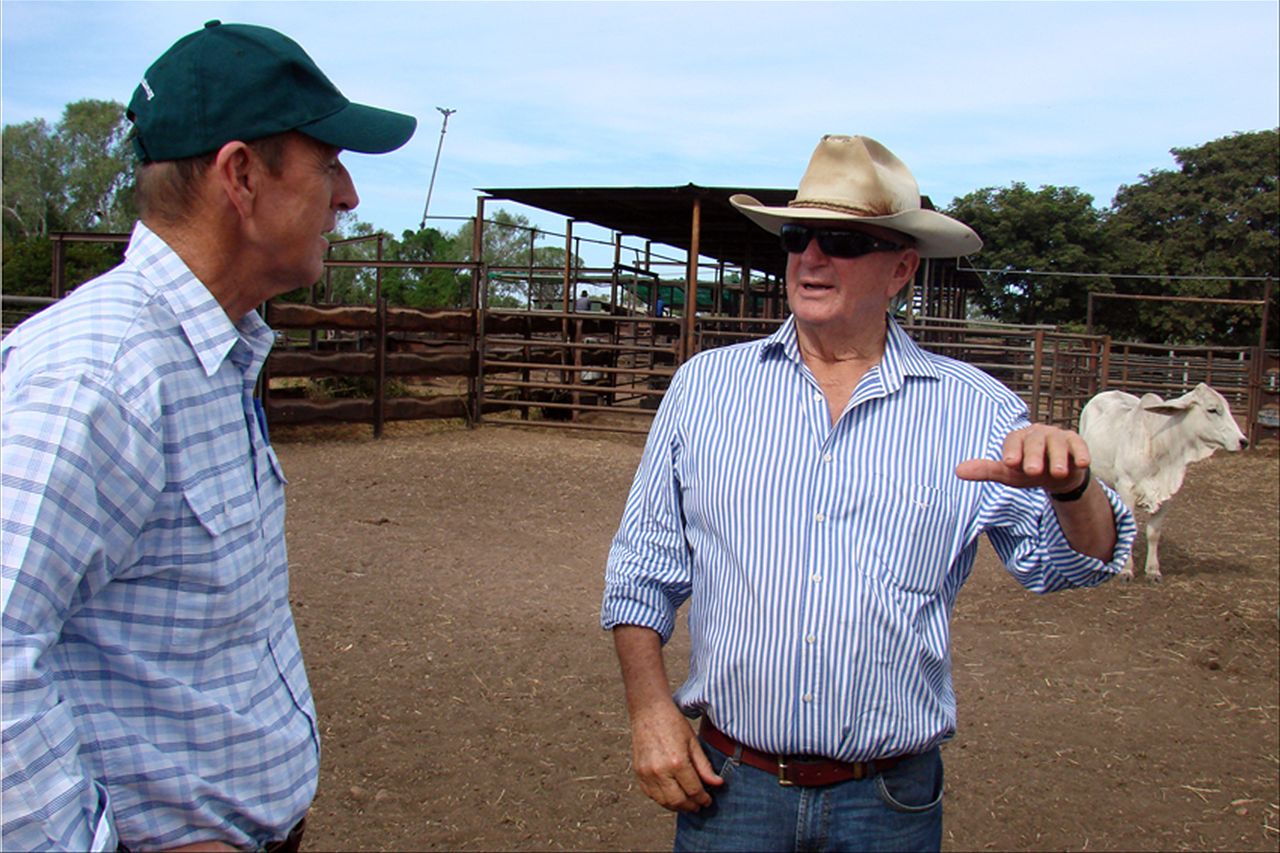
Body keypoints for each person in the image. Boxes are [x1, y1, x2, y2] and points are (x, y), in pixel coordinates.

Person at [601, 134, 1136, 852]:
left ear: (901, 268)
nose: (812, 258)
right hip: (730, 784)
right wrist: (648, 708)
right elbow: (641, 570)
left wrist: (1073, 487)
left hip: (887, 798)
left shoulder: (975, 409)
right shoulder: (706, 388)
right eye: (798, 235)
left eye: (844, 241)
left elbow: (1075, 562)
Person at [1, 21, 415, 852]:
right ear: (241, 175)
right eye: (329, 161)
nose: (348, 195)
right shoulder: (101, 376)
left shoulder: (209, 356)